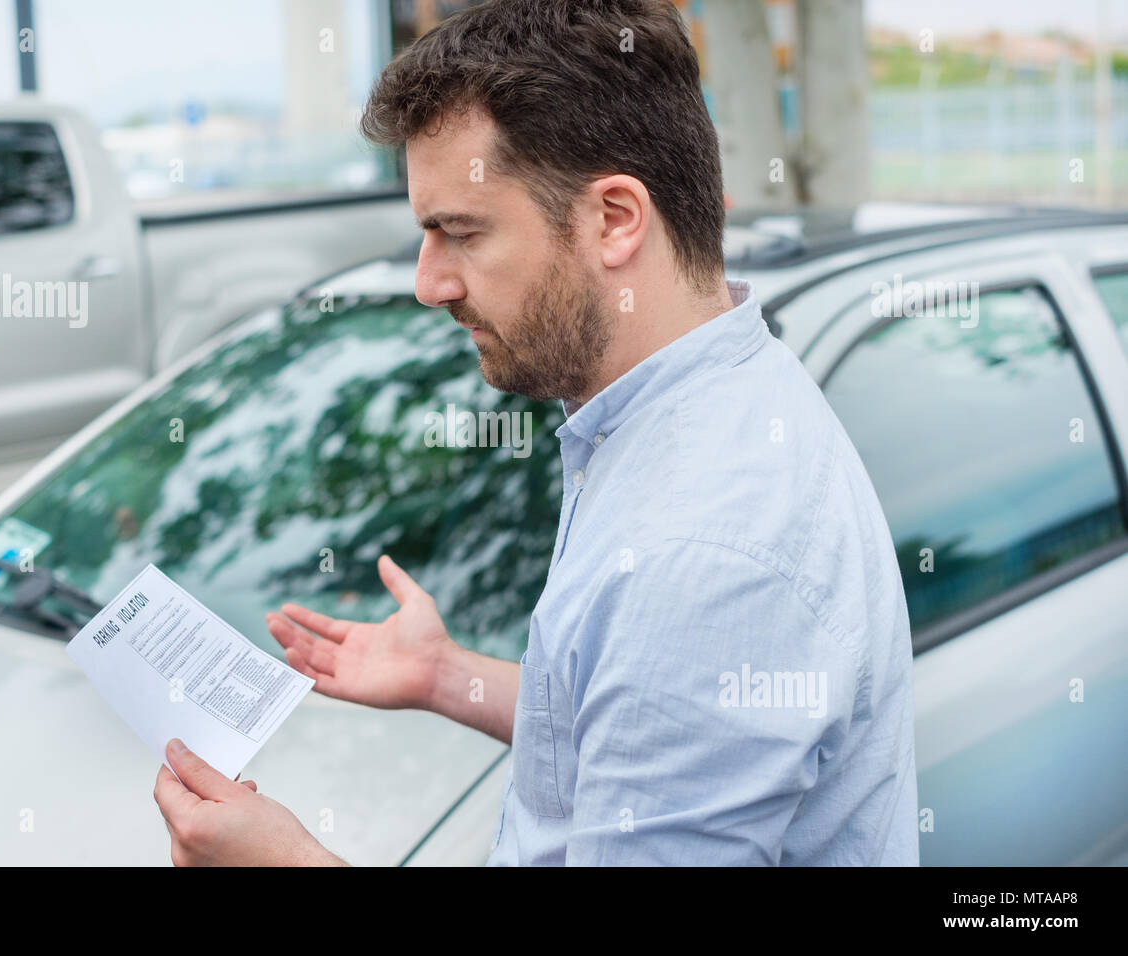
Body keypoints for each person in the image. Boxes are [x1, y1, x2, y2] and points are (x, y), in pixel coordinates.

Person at [153, 0, 919, 867]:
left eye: (460, 232)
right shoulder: (703, 400)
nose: (429, 283)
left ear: (615, 219)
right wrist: (449, 677)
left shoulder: (699, 554)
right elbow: (636, 733)